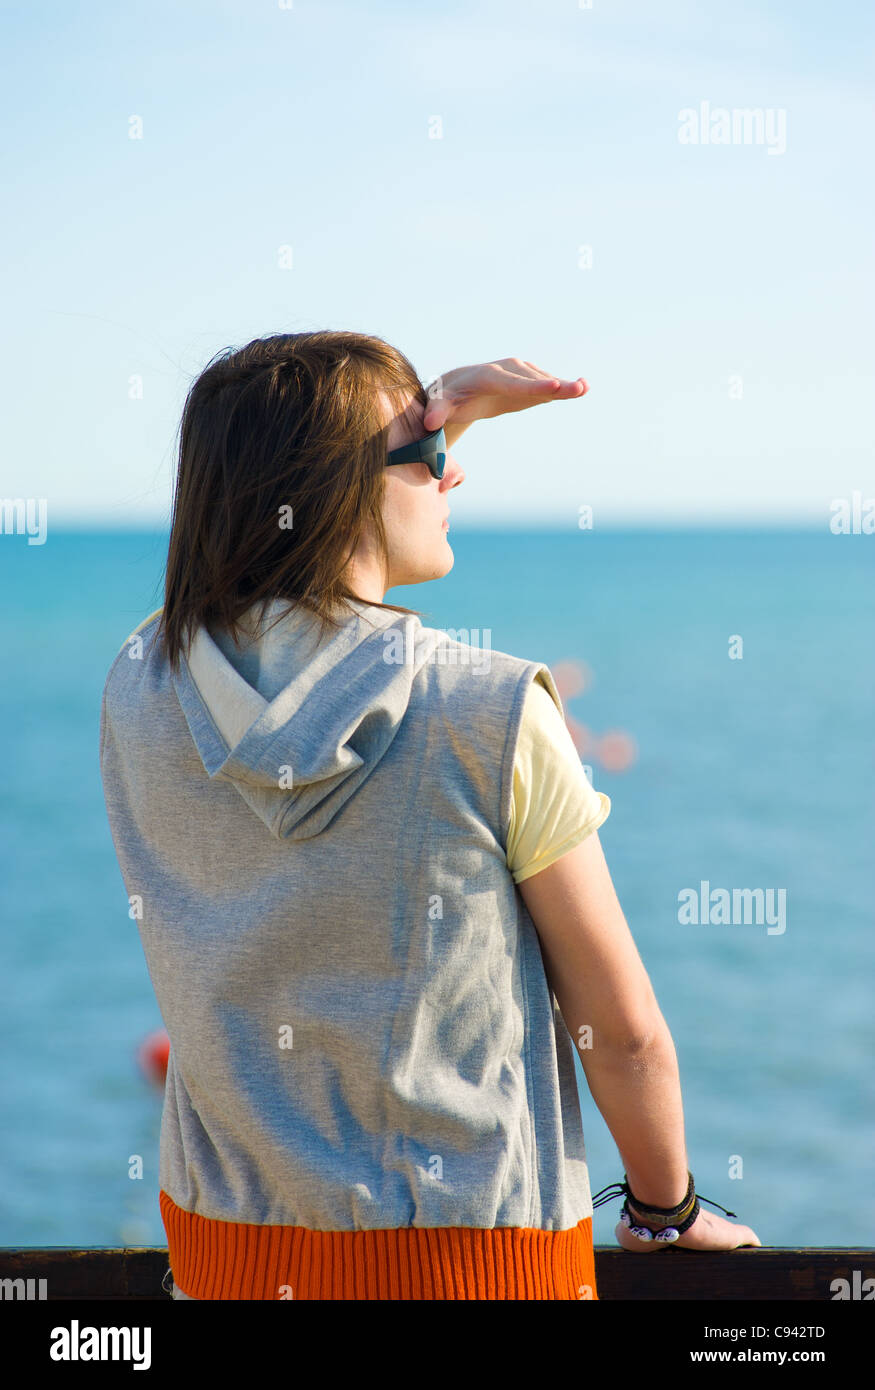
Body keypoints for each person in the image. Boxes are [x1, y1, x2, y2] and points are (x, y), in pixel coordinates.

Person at [99, 331, 760, 1301]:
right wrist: (665, 1208)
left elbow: (273, 564)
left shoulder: (138, 686)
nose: (450, 476)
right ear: (341, 487)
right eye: (429, 453)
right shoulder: (491, 710)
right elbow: (621, 1033)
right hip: (475, 1273)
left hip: (226, 1265)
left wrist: (410, 427)